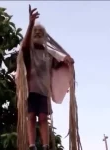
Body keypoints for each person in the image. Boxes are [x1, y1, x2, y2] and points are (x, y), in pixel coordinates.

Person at [20, 5, 74, 150]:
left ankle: (44, 145)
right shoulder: (28, 52)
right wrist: (31, 24)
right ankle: (32, 145)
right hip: (30, 91)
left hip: (44, 91)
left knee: (43, 118)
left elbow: (60, 65)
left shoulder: (49, 54)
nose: (37, 33)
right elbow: (24, 47)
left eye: (40, 31)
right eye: (35, 32)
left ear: (44, 36)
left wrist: (68, 61)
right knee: (31, 116)